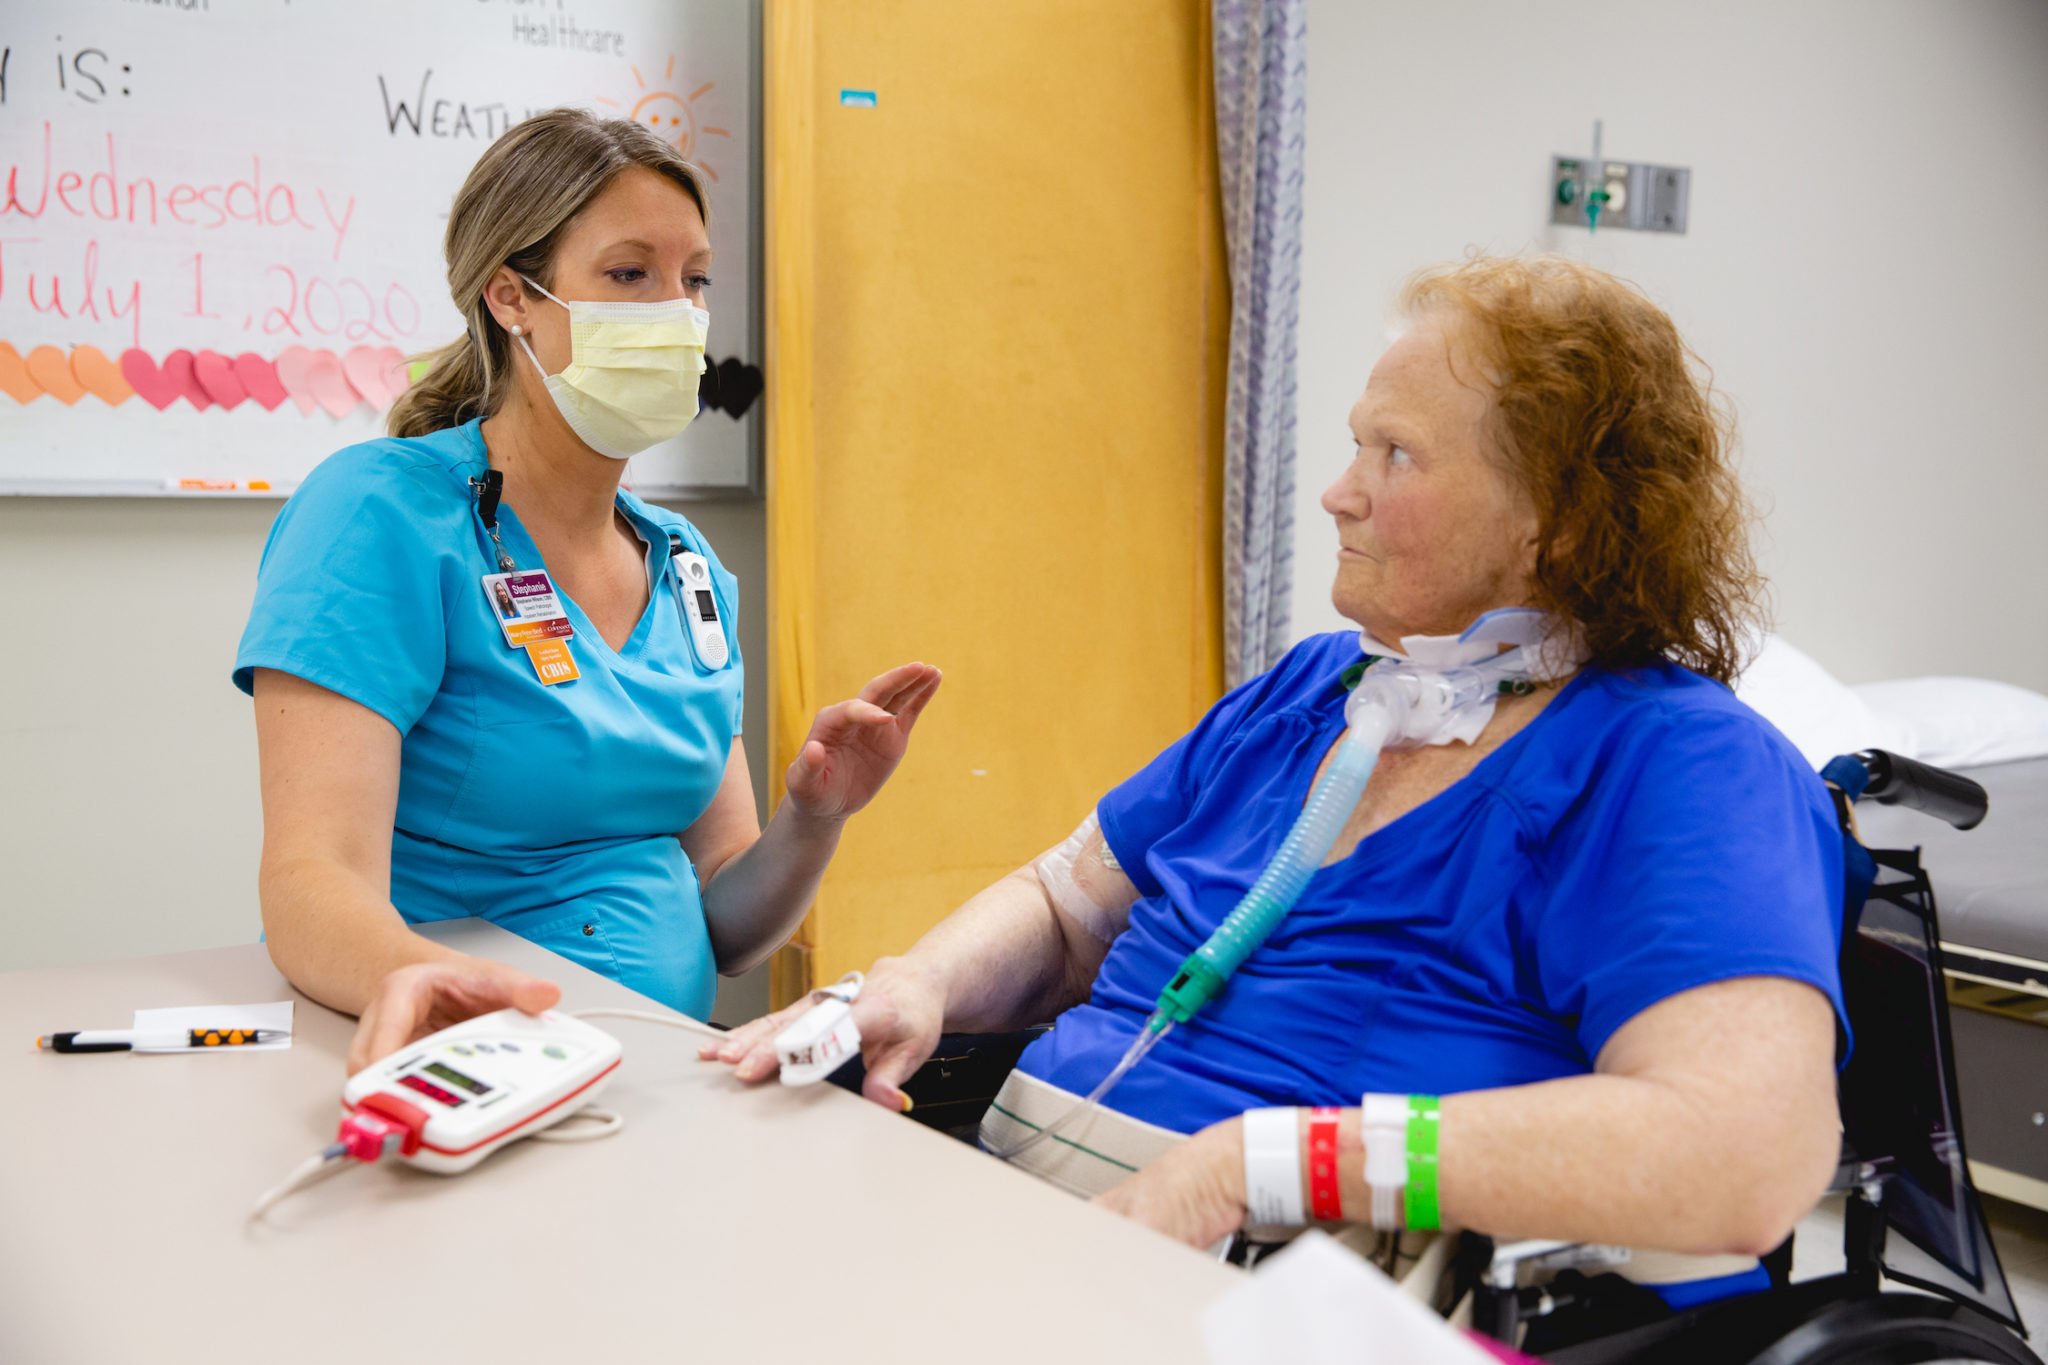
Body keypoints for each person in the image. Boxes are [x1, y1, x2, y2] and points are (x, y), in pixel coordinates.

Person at [711, 255, 1844, 1306]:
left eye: (1393, 455)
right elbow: (1065, 909)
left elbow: (1747, 1154)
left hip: (1304, 1292)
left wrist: (1259, 1167)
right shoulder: (1315, 694)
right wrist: (919, 984)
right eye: (1356, 445)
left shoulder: (1678, 766)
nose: (1336, 493)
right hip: (1043, 1219)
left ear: (1550, 523)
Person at [236, 109, 940, 1074]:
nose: (674, 312)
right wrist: (464, 1001)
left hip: (657, 1075)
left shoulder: (686, 568)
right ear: (510, 297)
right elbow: (312, 881)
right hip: (462, 1062)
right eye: (628, 275)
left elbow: (727, 920)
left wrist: (815, 818)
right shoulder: (380, 516)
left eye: (693, 279)